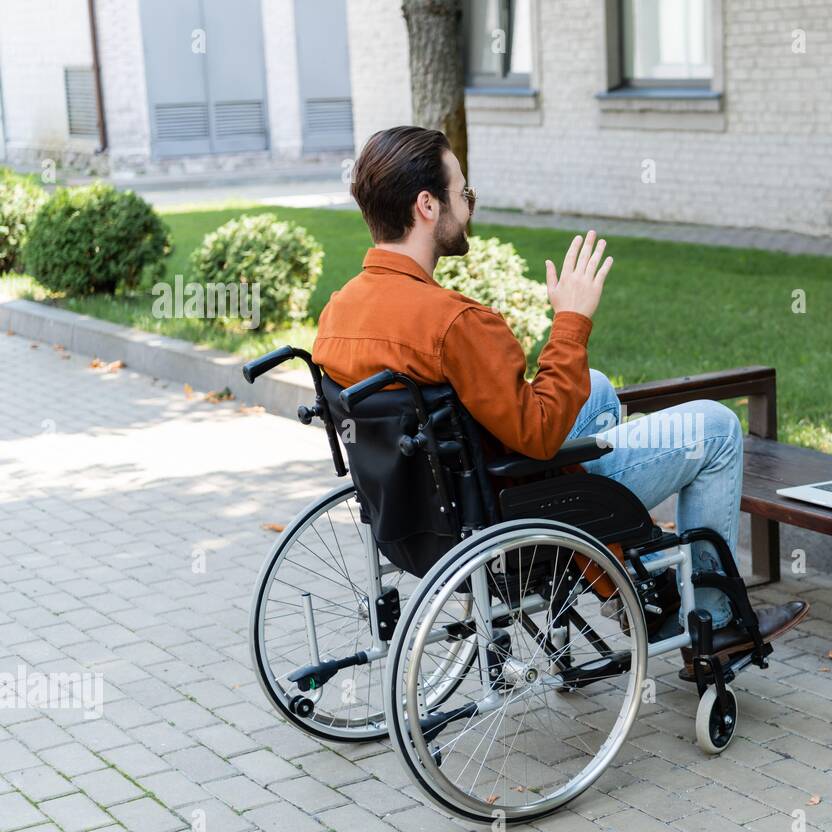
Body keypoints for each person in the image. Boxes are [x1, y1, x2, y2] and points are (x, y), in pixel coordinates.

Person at [313, 126, 807, 678]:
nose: (468, 207)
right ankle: (714, 626)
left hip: (417, 511)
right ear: (427, 206)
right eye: (462, 193)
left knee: (591, 385)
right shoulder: (455, 322)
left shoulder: (338, 313)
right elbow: (540, 434)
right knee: (715, 427)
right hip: (510, 513)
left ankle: (623, 579)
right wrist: (571, 320)